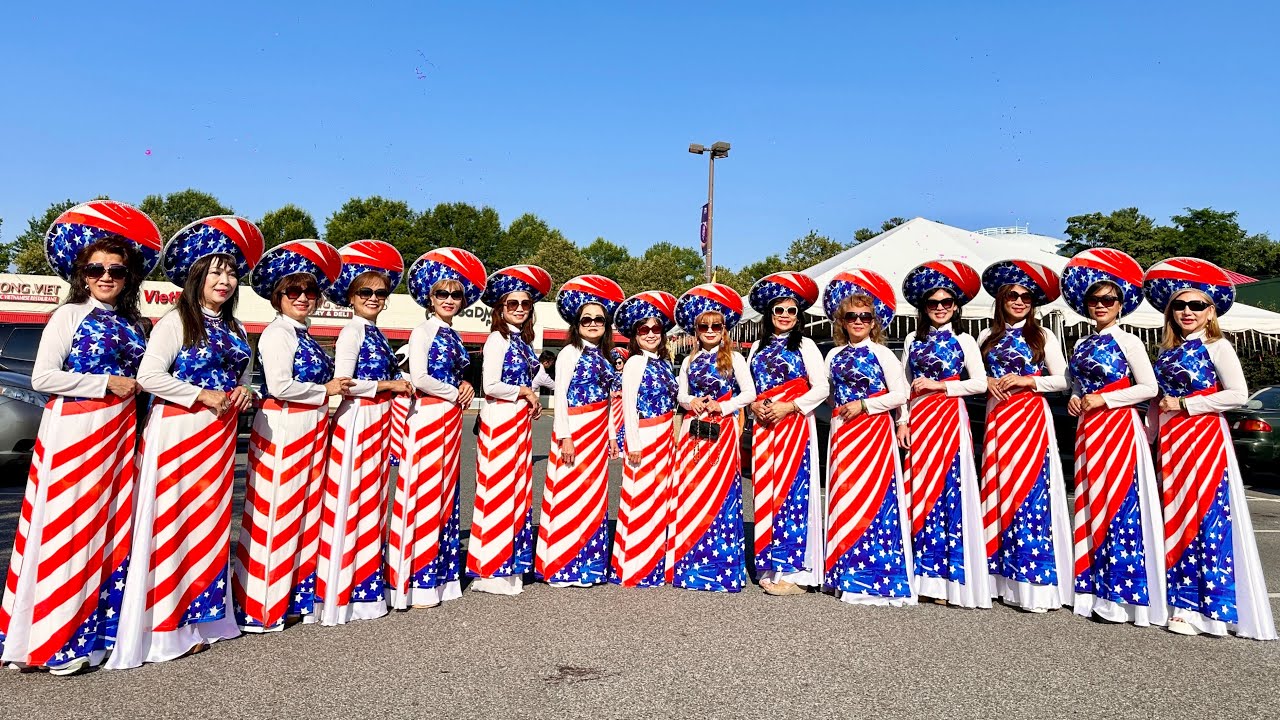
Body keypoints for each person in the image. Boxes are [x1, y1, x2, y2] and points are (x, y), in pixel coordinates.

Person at [0, 201, 159, 674]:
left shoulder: (135, 324)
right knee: (65, 528)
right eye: (96, 269)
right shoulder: (68, 315)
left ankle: (92, 632)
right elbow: (44, 377)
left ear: (129, 277)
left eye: (117, 270)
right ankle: (49, 639)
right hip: (75, 430)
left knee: (107, 529)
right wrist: (104, 383)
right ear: (82, 275)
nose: (106, 276)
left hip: (120, 433)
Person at [109, 215, 263, 668]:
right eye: (215, 272)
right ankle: (162, 627)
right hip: (177, 432)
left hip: (218, 437)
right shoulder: (176, 321)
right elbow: (149, 376)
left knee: (207, 527)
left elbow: (243, 379)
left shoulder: (237, 329)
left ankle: (202, 619)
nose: (224, 280)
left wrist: (244, 393)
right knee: (171, 524)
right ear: (196, 277)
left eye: (230, 273)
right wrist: (201, 394)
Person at [1143, 258, 1276, 640]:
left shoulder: (1218, 346)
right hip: (1172, 443)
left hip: (1204, 439)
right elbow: (1158, 401)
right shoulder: (1167, 352)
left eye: (1197, 305)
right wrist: (1148, 438)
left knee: (1206, 519)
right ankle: (1181, 601)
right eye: (1180, 306)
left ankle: (1209, 608)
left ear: (1211, 311)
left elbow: (1237, 394)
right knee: (1176, 516)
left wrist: (1187, 404)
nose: (1188, 311)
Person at [233, 240, 351, 632]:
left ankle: (288, 597)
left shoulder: (304, 334)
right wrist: (325, 390)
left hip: (310, 427)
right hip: (283, 425)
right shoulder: (277, 333)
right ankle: (260, 606)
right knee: (275, 513)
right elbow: (280, 385)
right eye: (293, 291)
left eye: (309, 291)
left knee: (301, 513)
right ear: (278, 297)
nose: (302, 298)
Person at [1062, 248, 1167, 627]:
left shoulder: (1130, 341)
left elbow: (1149, 387)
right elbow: (1076, 384)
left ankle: (1123, 597)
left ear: (1121, 305)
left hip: (1120, 429)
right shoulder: (1081, 344)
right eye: (1095, 300)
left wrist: (1105, 399)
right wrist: (1076, 397)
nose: (1101, 305)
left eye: (1108, 299)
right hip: (1089, 431)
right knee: (1093, 505)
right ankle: (1093, 589)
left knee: (1121, 506)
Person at [315, 240, 412, 625]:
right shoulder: (351, 332)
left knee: (371, 502)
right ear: (351, 298)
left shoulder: (376, 333)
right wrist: (389, 385)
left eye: (380, 293)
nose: (374, 298)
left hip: (379, 419)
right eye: (366, 292)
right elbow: (344, 382)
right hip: (357, 419)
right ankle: (341, 591)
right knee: (350, 501)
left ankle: (365, 586)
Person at [387, 248, 486, 610]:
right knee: (424, 494)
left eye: (455, 294)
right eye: (442, 293)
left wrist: (466, 386)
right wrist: (453, 391)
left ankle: (439, 577)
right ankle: (414, 581)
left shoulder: (453, 334)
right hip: (428, 415)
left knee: (444, 495)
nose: (449, 299)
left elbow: (456, 376)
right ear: (429, 298)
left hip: (449, 418)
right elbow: (419, 377)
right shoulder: (422, 331)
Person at [975, 260, 1074, 613]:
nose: (1019, 302)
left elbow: (1064, 380)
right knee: (998, 491)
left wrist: (1029, 380)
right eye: (1012, 296)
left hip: (1030, 418)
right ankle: (997, 579)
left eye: (1026, 297)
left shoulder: (1043, 335)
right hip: (997, 419)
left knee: (1030, 492)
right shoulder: (985, 337)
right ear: (1001, 299)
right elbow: (973, 378)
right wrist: (987, 381)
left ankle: (1033, 585)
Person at [897, 260, 991, 608]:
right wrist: (902, 420)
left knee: (951, 490)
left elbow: (980, 383)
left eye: (946, 302)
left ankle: (951, 577)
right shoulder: (912, 339)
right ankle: (922, 576)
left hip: (950, 418)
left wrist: (942, 386)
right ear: (923, 307)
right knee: (920, 492)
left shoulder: (965, 339)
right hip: (920, 420)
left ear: (955, 306)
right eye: (933, 303)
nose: (940, 308)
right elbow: (905, 384)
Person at [821, 270, 914, 606]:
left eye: (864, 316)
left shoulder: (883, 353)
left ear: (874, 322)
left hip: (873, 432)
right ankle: (845, 572)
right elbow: (828, 394)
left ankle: (875, 574)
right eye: (851, 316)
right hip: (843, 432)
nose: (858, 321)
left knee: (874, 499)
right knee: (845, 498)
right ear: (842, 322)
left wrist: (865, 405)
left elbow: (900, 394)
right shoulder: (833, 355)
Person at [467, 265, 552, 595]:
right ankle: (489, 570)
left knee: (516, 492)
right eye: (512, 303)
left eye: (525, 304)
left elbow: (534, 379)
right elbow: (490, 385)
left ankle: (510, 565)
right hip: (499, 420)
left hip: (518, 421)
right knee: (497, 491)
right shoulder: (497, 339)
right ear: (500, 308)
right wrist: (525, 392)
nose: (519, 308)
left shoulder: (523, 342)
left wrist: (533, 397)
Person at [536, 275, 624, 587]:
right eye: (586, 319)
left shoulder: (607, 355)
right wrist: (565, 437)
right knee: (568, 494)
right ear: (577, 324)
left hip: (598, 432)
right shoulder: (569, 353)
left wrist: (612, 436)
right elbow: (559, 397)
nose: (593, 324)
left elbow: (610, 401)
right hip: (574, 429)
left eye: (599, 319)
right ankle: (562, 565)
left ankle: (588, 564)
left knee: (593, 498)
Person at [746, 272, 830, 596]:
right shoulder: (757, 346)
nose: (784, 315)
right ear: (769, 314)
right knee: (765, 493)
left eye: (790, 310)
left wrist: (790, 406)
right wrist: (753, 406)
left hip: (794, 426)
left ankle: (795, 571)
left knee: (793, 493)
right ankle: (769, 564)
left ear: (798, 316)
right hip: (764, 428)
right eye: (778, 310)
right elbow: (748, 388)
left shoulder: (806, 345)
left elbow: (821, 388)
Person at [670, 284, 756, 592]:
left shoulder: (735, 358)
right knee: (691, 492)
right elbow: (680, 394)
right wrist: (690, 400)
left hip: (722, 431)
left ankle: (720, 564)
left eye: (715, 326)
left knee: (721, 493)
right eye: (703, 326)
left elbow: (749, 393)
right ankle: (690, 561)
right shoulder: (688, 360)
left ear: (724, 329)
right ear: (695, 330)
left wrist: (725, 405)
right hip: (694, 431)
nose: (709, 330)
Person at [609, 292, 678, 587]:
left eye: (655, 328)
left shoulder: (663, 363)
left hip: (665, 435)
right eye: (644, 329)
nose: (650, 334)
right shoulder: (635, 362)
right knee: (639, 496)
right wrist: (633, 443)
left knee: (658, 499)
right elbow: (628, 404)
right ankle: (633, 565)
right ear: (635, 335)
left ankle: (652, 561)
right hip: (645, 434)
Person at [609, 347, 629, 455]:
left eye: (619, 362)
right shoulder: (612, 375)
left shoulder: (628, 375)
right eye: (615, 363)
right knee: (613, 423)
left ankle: (622, 447)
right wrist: (611, 393)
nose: (617, 365)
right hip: (613, 403)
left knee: (623, 424)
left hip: (623, 404)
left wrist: (621, 393)